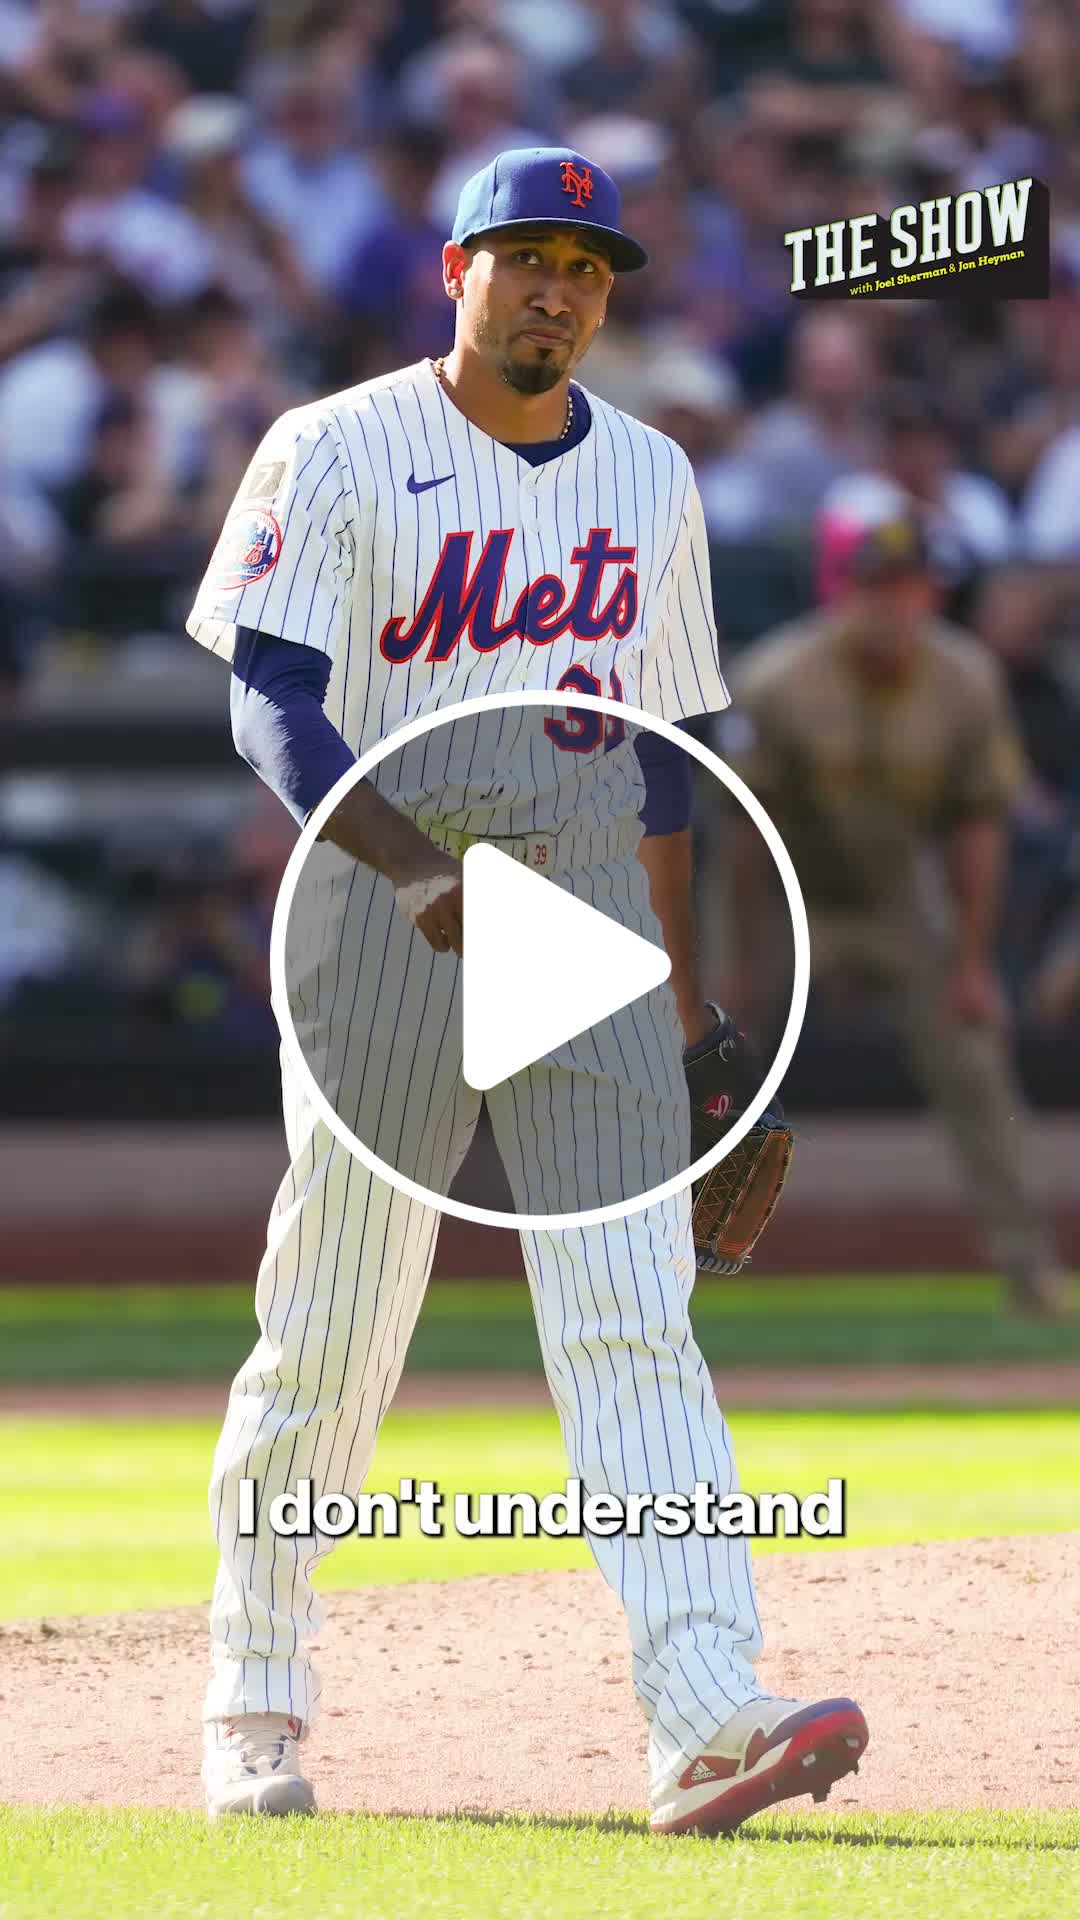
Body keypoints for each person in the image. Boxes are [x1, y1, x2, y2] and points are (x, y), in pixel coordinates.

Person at [186, 145, 867, 1833]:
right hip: (384, 910)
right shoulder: (335, 446)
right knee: (335, 1319)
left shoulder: (648, 474)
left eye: (588, 267)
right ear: (456, 272)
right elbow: (272, 702)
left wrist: (679, 1003)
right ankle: (255, 1701)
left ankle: (706, 1714)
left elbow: (663, 757)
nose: (559, 289)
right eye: (528, 257)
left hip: (573, 917)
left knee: (635, 1312)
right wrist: (420, 874)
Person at [722, 477, 1072, 1320]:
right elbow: (740, 835)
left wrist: (973, 963)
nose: (894, 604)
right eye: (876, 585)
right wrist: (736, 964)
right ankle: (658, 1261)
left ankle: (1030, 1268)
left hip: (896, 897)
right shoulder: (779, 678)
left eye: (911, 585)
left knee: (974, 1059)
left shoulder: (965, 679)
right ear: (844, 590)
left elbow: (977, 828)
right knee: (704, 1057)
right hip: (786, 892)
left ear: (933, 593)